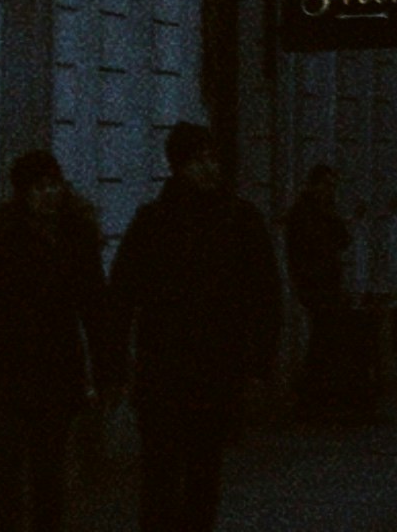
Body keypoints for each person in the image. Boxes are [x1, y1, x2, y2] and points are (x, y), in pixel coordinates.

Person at [108, 123, 280, 532]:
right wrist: (116, 365)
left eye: (212, 158)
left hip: (215, 371)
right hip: (162, 370)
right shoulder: (153, 221)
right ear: (178, 166)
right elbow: (120, 297)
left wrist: (258, 365)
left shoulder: (239, 220)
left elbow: (266, 297)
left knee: (204, 475)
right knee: (159, 478)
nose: (209, 168)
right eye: (197, 160)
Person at [0, 149, 108, 532]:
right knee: (6, 469)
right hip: (5, 372)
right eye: (40, 187)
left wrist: (106, 368)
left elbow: (95, 308)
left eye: (54, 185)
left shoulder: (76, 237)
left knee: (48, 474)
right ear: (24, 192)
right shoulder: (2, 235)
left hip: (57, 373)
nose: (49, 194)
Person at [281, 166, 350, 413]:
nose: (330, 191)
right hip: (314, 285)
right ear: (314, 185)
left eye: (332, 186)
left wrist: (333, 215)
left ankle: (319, 395)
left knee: (326, 340)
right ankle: (311, 396)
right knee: (322, 340)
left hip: (327, 284)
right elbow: (303, 250)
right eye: (326, 185)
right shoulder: (303, 213)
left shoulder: (324, 212)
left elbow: (344, 239)